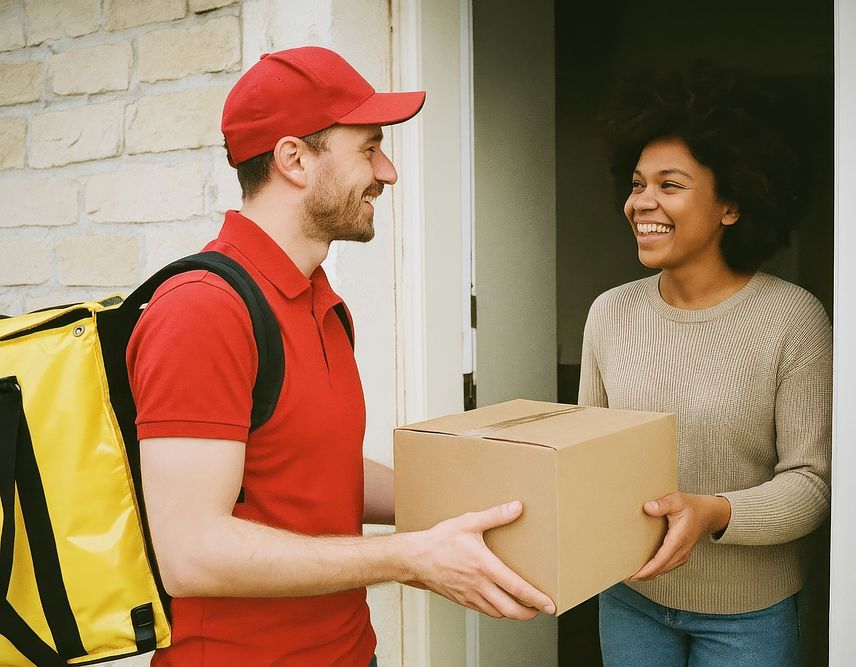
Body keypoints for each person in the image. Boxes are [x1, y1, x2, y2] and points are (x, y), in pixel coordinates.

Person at [126, 46, 554, 667]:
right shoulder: (202, 310)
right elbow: (192, 554)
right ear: (294, 159)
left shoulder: (318, 300)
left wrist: (462, 500)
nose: (388, 171)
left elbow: (315, 472)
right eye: (369, 147)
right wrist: (411, 557)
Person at [579, 64, 832, 667]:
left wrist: (713, 511)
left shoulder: (793, 319)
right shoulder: (610, 312)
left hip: (750, 613)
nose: (643, 203)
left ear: (732, 205)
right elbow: (584, 454)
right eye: (638, 184)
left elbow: (813, 484)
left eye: (670, 185)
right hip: (630, 593)